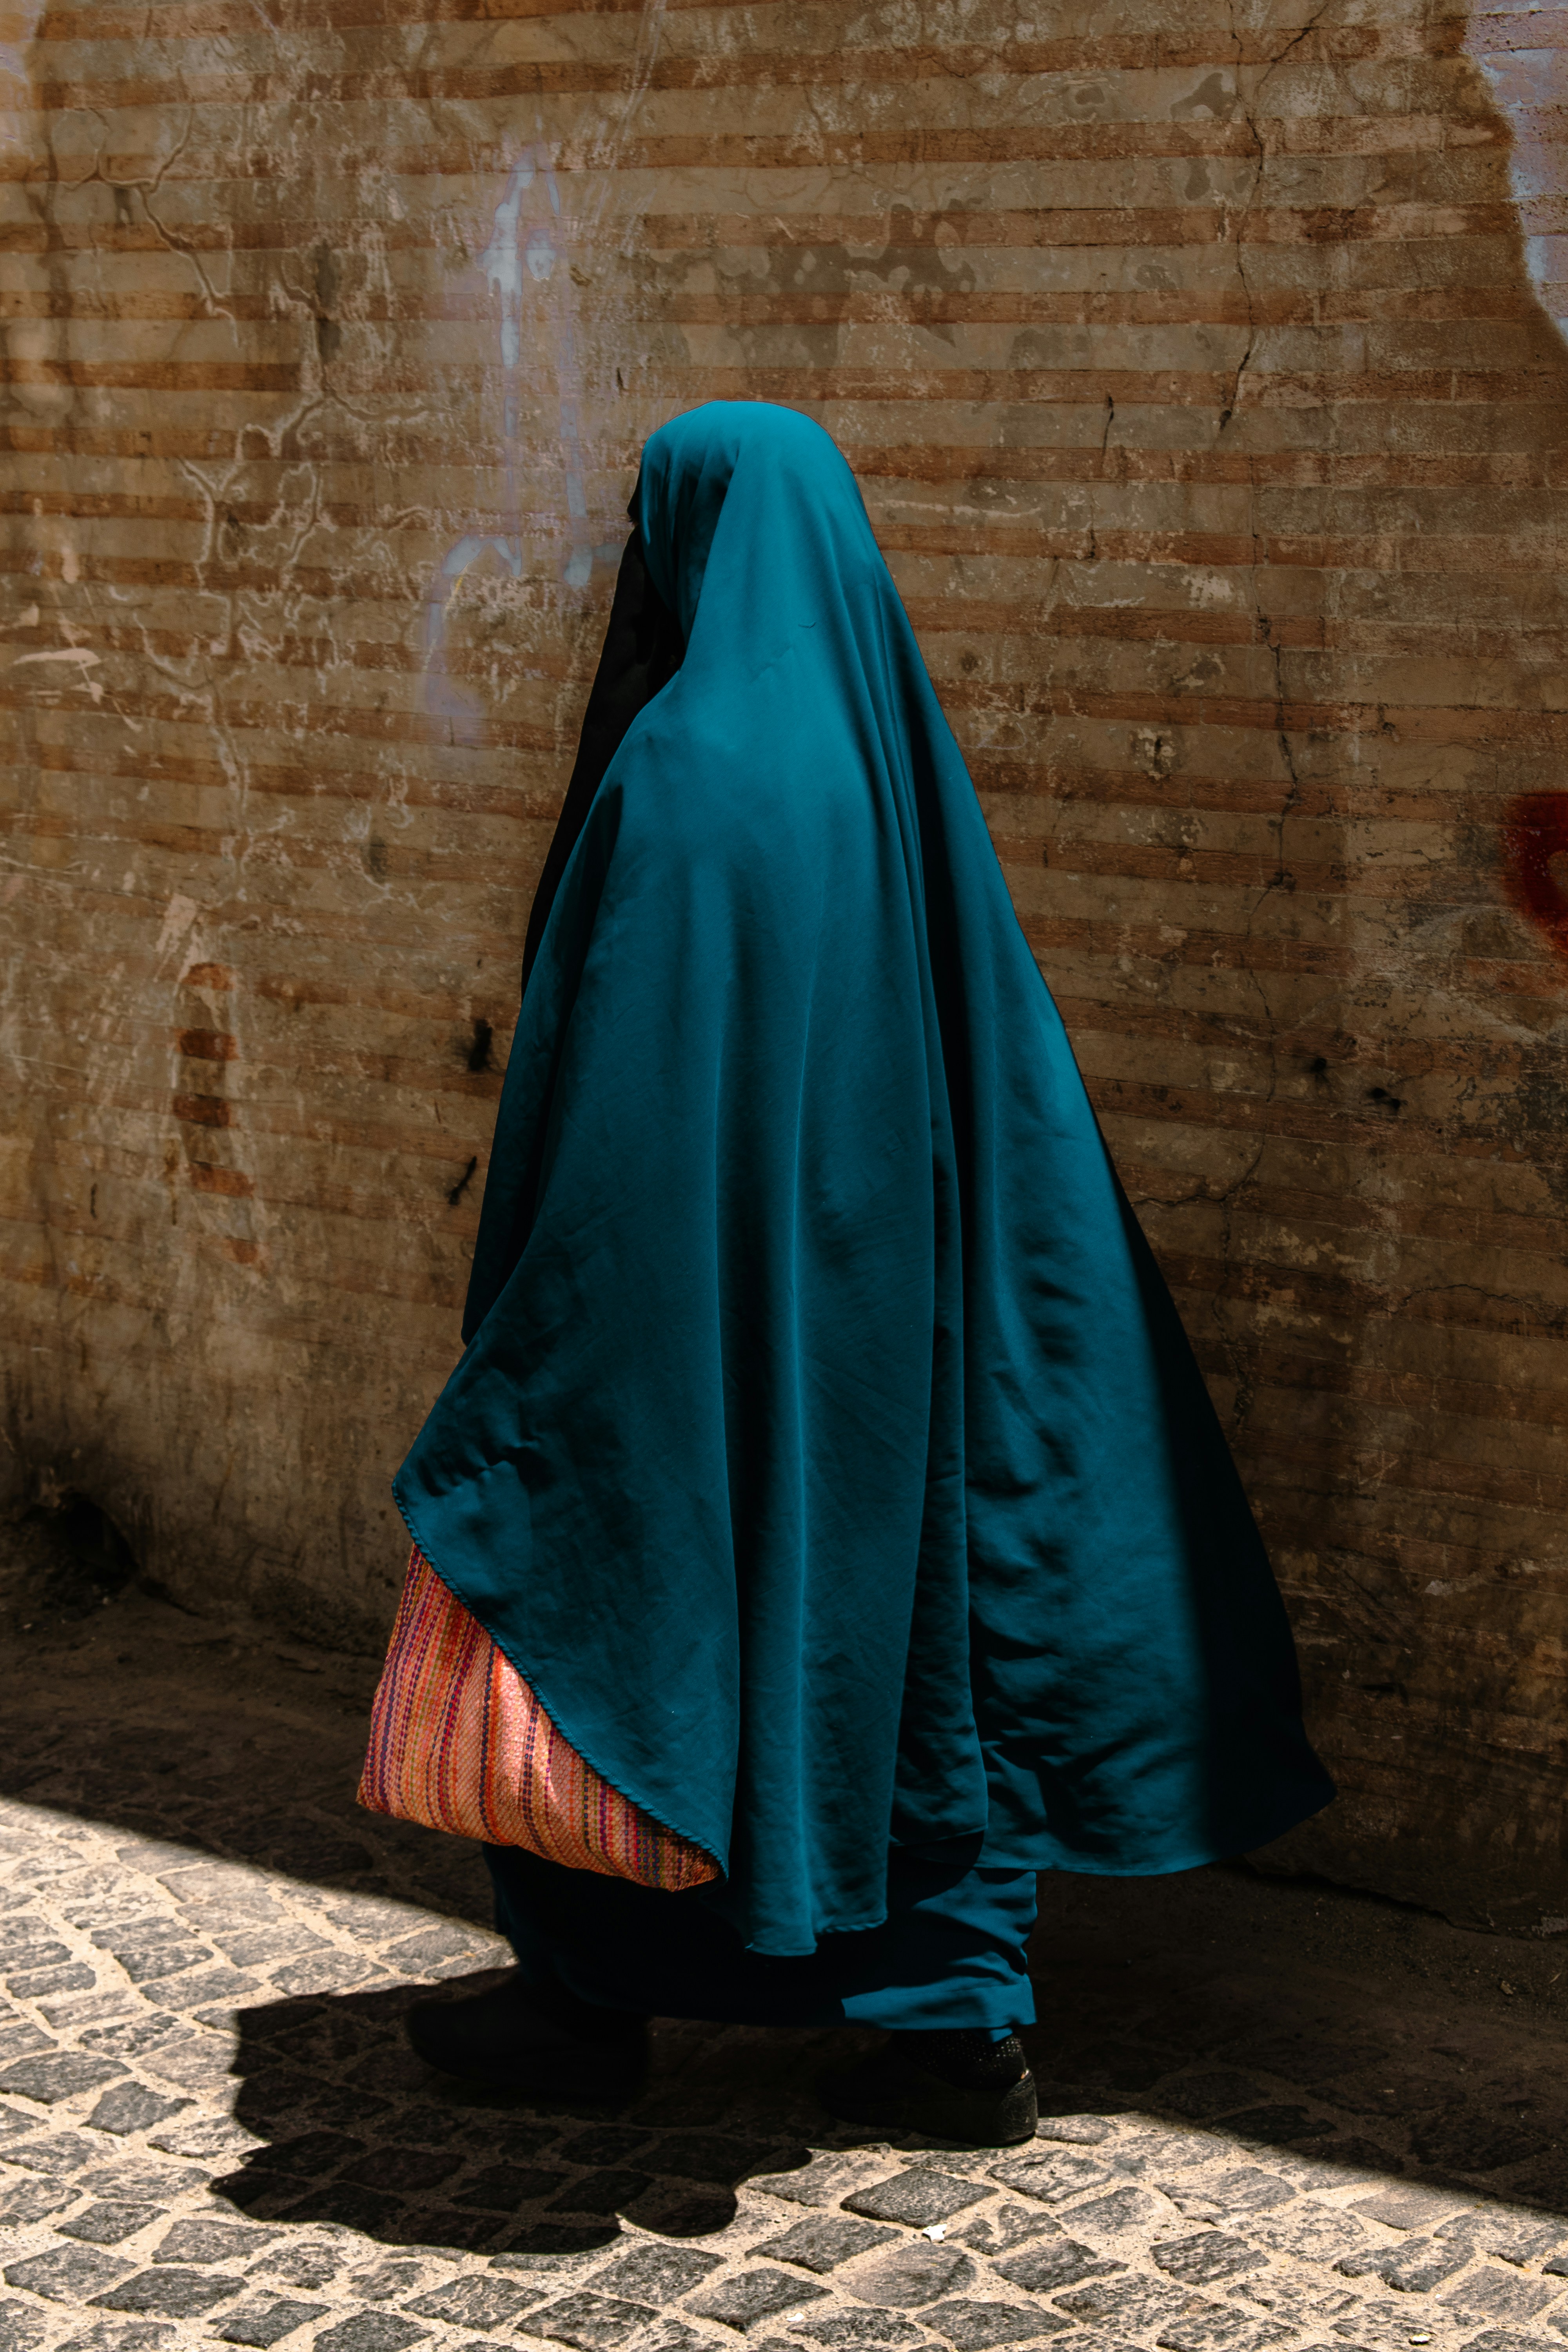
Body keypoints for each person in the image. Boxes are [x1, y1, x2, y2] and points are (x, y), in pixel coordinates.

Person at [394, 401, 1334, 2146]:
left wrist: (550, 1344)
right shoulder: (883, 756)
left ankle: (588, 2002)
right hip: (911, 1319)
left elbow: (632, 1115)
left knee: (663, 1602)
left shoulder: (681, 775)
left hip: (713, 1313)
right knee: (925, 1648)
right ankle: (953, 2031)